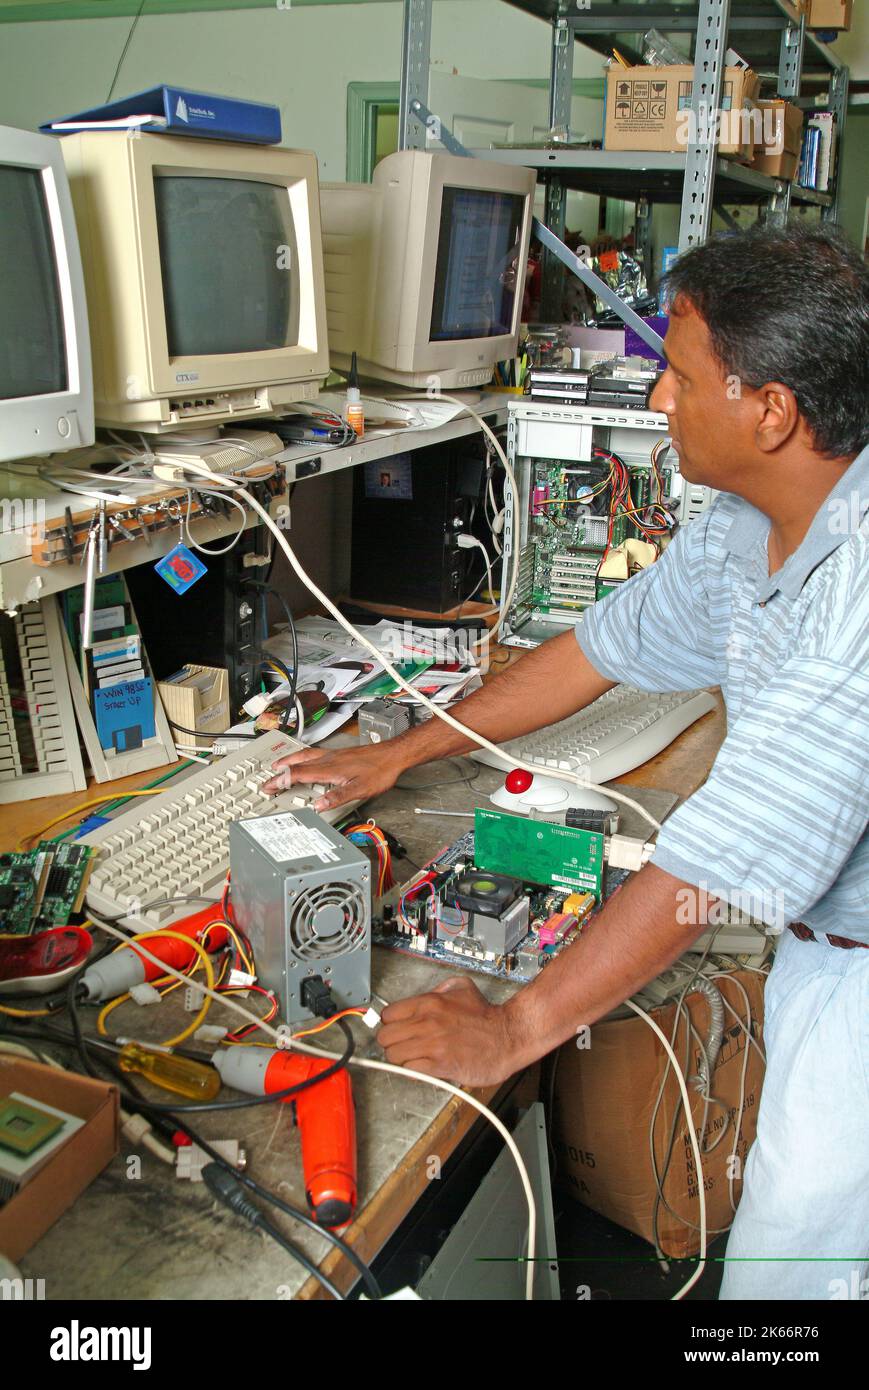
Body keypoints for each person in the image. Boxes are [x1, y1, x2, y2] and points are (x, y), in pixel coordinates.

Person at [264, 224, 869, 1300]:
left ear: (770, 409)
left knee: (792, 1278)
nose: (653, 405)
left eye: (676, 378)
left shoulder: (859, 584)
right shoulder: (748, 523)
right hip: (828, 942)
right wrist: (399, 753)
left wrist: (513, 1028)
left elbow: (713, 857)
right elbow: (598, 650)